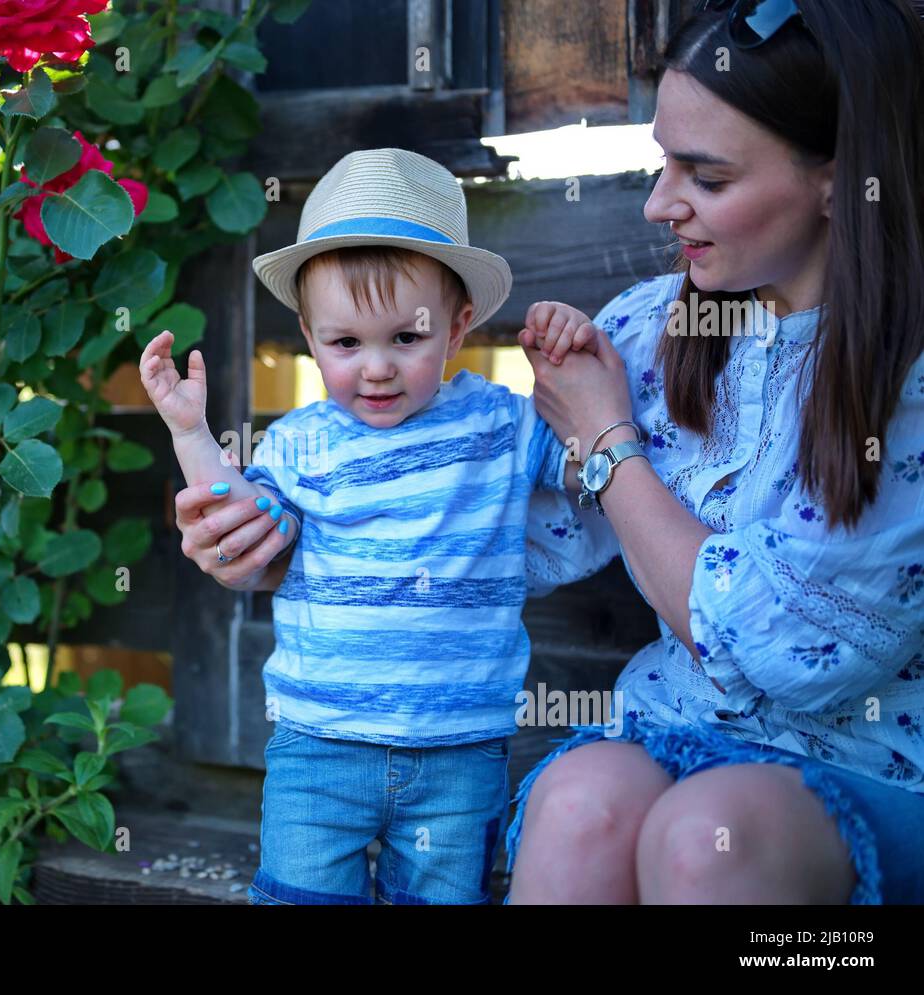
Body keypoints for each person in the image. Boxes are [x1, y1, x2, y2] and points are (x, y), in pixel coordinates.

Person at [180, 0, 924, 905]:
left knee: (706, 840)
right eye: (661, 161)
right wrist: (288, 544)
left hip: (864, 759)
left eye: (708, 175)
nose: (660, 203)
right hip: (676, 724)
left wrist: (611, 444)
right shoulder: (647, 336)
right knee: (576, 805)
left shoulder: (905, 379)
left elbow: (795, 656)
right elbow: (502, 531)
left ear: (841, 179)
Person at [139, 147, 599, 904]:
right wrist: (192, 434)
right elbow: (239, 531)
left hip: (459, 750)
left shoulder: (500, 424)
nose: (375, 367)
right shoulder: (297, 443)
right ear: (309, 335)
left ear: (457, 326)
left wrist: (573, 355)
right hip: (320, 746)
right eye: (346, 343)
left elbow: (588, 462)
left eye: (406, 339)